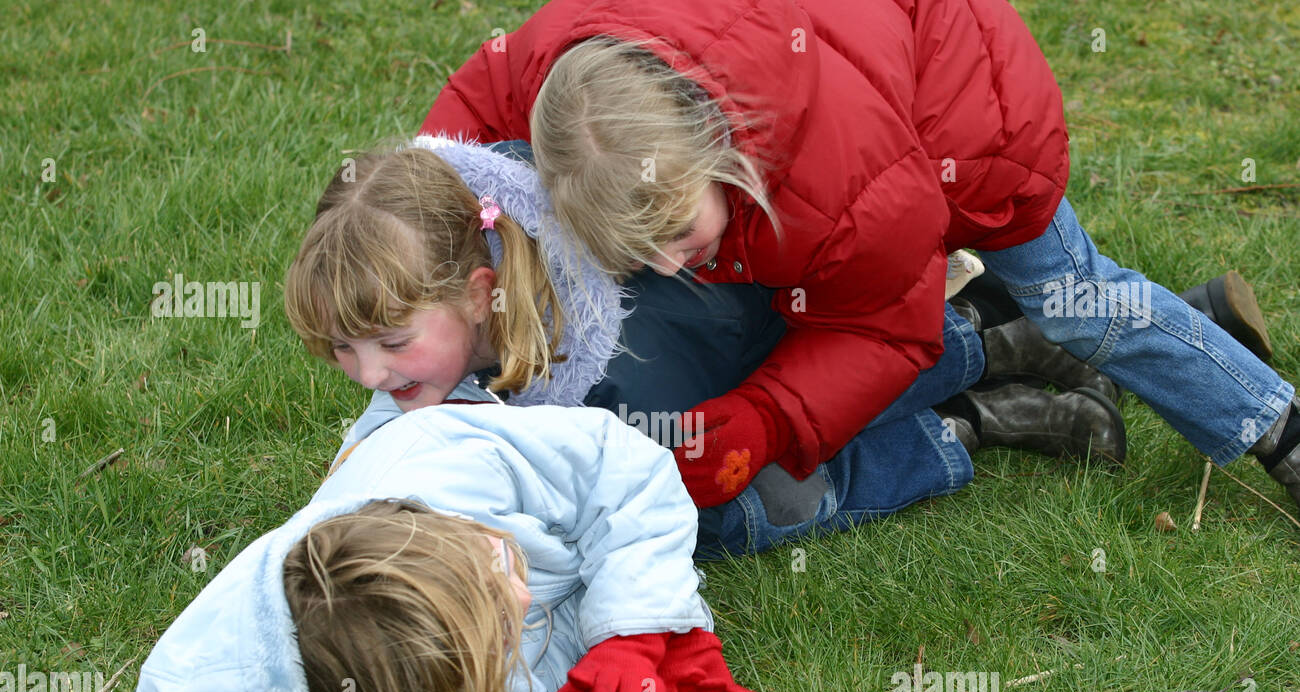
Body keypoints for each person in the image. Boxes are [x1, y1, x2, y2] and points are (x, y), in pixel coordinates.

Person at [418, 0, 1300, 520]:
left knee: (1082, 302)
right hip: (848, 92)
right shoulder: (565, 79)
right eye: (632, 249)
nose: (661, 262)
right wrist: (416, 229)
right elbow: (464, 125)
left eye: (677, 232)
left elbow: (886, 331)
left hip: (974, 128)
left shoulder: (842, 191)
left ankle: (1275, 425)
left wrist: (765, 421)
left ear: (722, 155)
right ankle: (1045, 348)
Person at [284, 137, 1142, 558]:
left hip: (769, 372)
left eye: (390, 344)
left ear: (479, 294)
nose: (369, 376)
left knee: (764, 500)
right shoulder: (471, 229)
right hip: (732, 378)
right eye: (341, 351)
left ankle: (986, 351)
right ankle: (977, 416)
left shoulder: (611, 386)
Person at [136, 402, 765, 692]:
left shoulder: (443, 455)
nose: (516, 589)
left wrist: (641, 622)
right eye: (497, 624)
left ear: (424, 517)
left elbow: (623, 467)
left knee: (709, 460)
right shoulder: (435, 686)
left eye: (481, 555)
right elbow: (549, 649)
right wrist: (639, 645)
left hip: (494, 405)